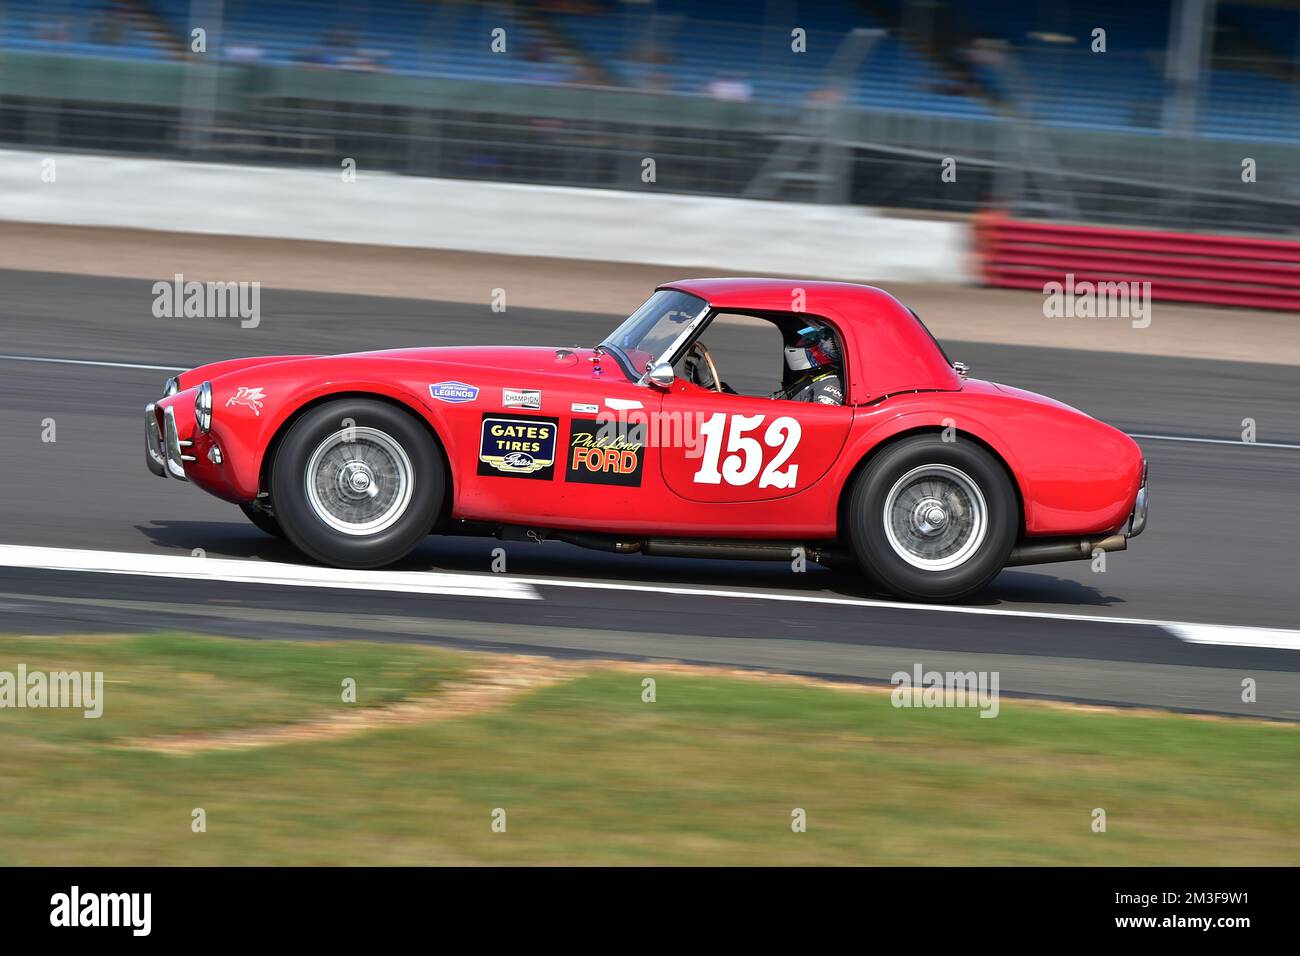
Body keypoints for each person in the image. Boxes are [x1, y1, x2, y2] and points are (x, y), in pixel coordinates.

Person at [775, 325, 843, 405]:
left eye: (807, 340)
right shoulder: (810, 377)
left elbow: (820, 415)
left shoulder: (830, 384)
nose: (799, 342)